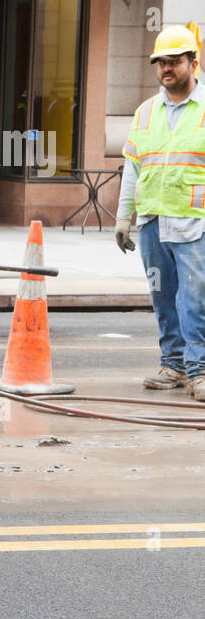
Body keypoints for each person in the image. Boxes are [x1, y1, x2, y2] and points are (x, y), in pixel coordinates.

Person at [115, 24, 205, 401]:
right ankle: (174, 365)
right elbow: (133, 167)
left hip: (194, 221)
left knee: (195, 298)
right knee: (163, 296)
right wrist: (124, 217)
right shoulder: (145, 111)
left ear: (193, 63)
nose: (166, 68)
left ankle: (199, 370)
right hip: (152, 221)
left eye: (174, 61)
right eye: (160, 62)